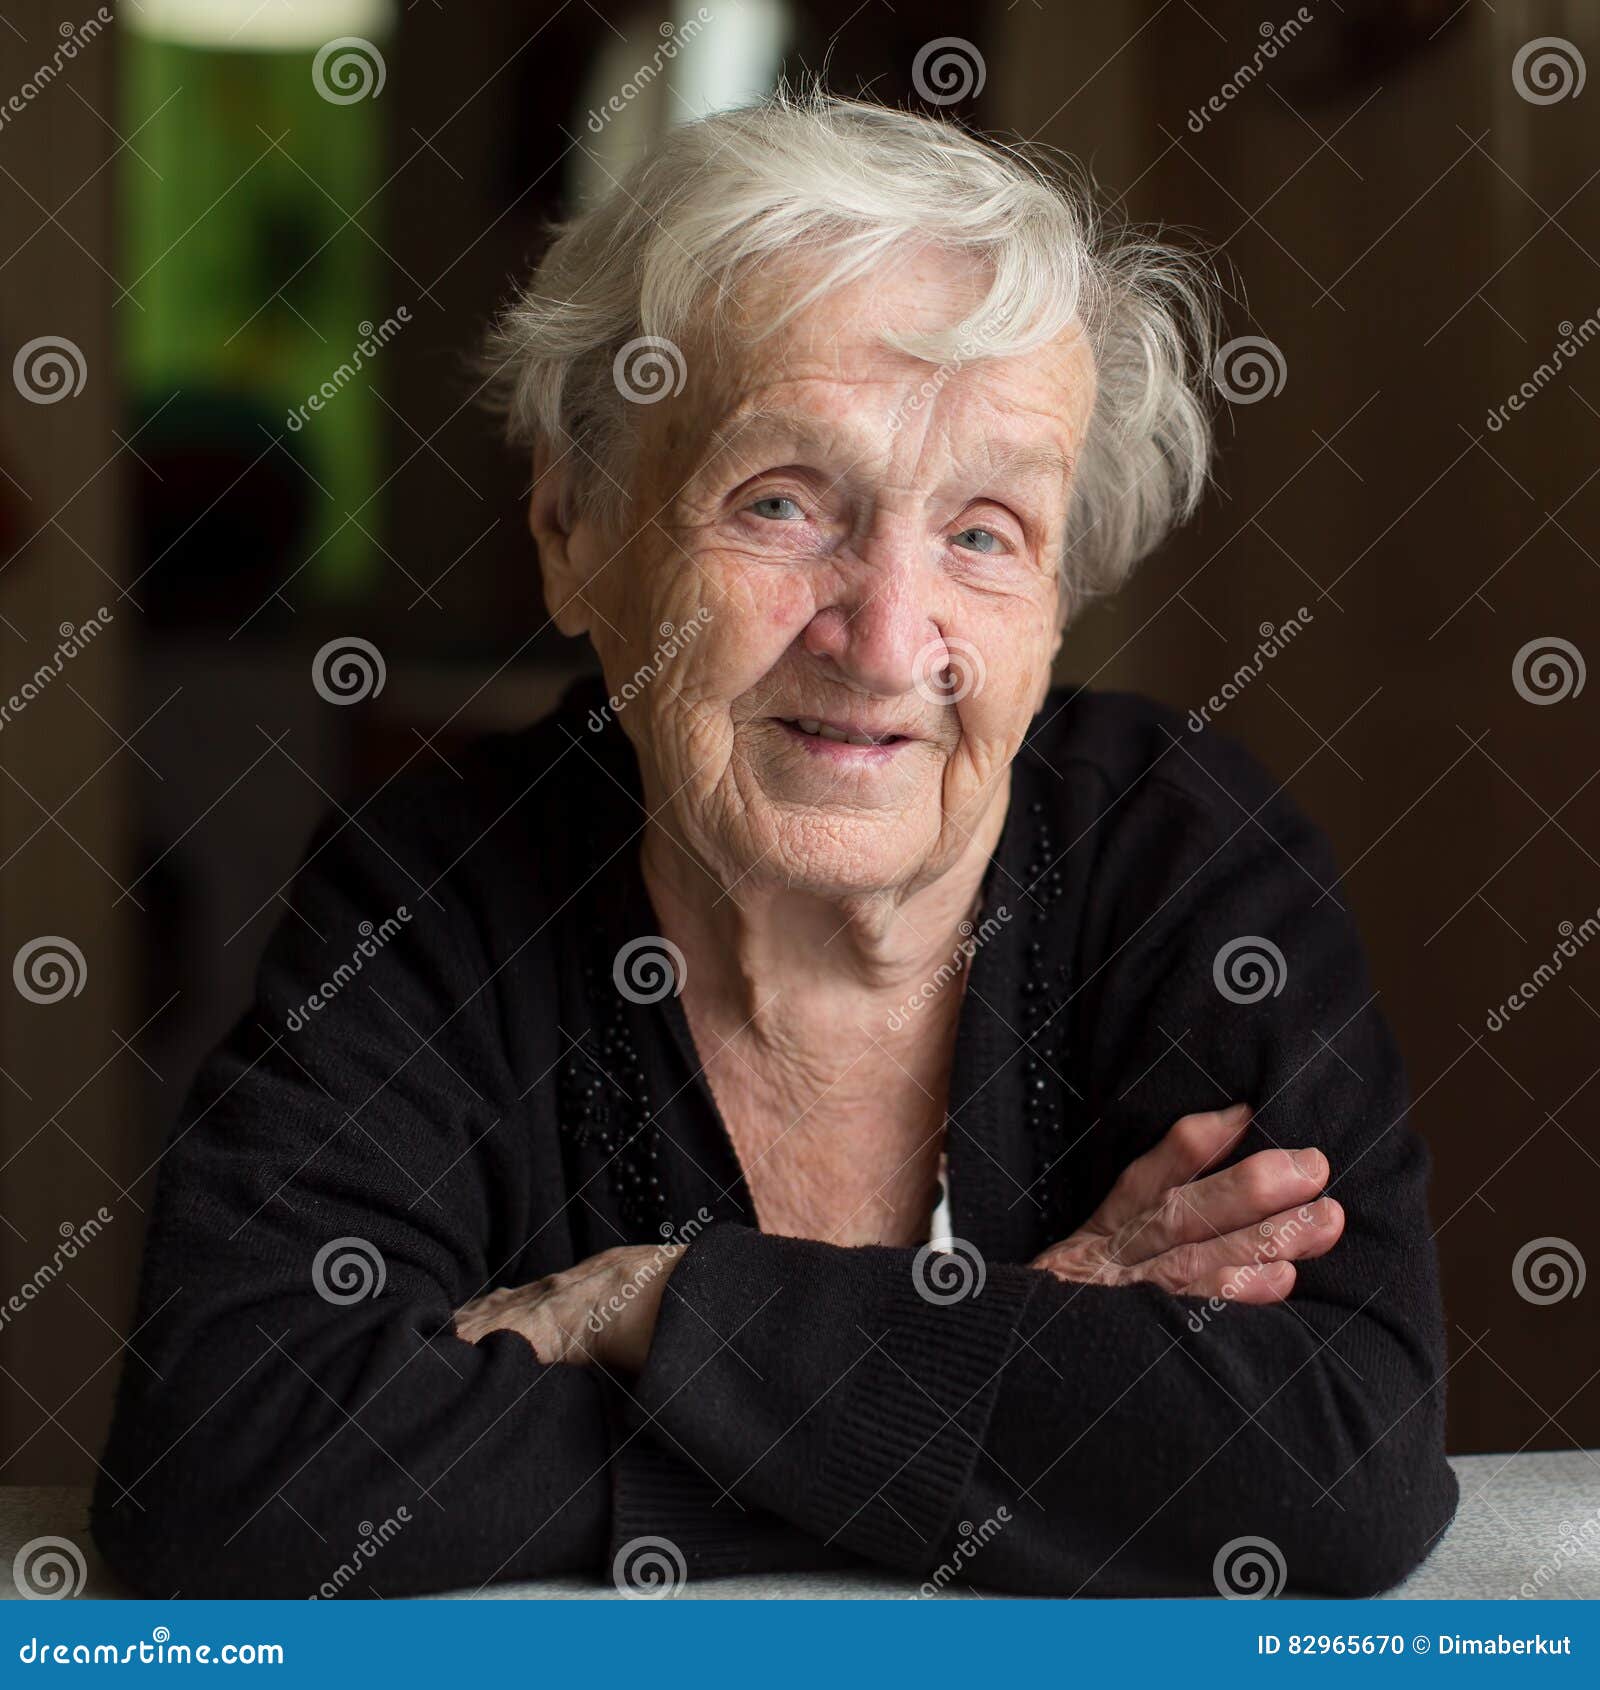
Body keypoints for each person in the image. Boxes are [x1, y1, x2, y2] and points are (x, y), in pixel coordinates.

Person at [92, 90, 1457, 1599]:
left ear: (1064, 590)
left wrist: (662, 1304)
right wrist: (992, 1360)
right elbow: (220, 1478)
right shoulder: (434, 888)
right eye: (784, 501)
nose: (882, 642)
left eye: (984, 532)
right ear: (573, 527)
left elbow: (1337, 1469)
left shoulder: (1181, 854)